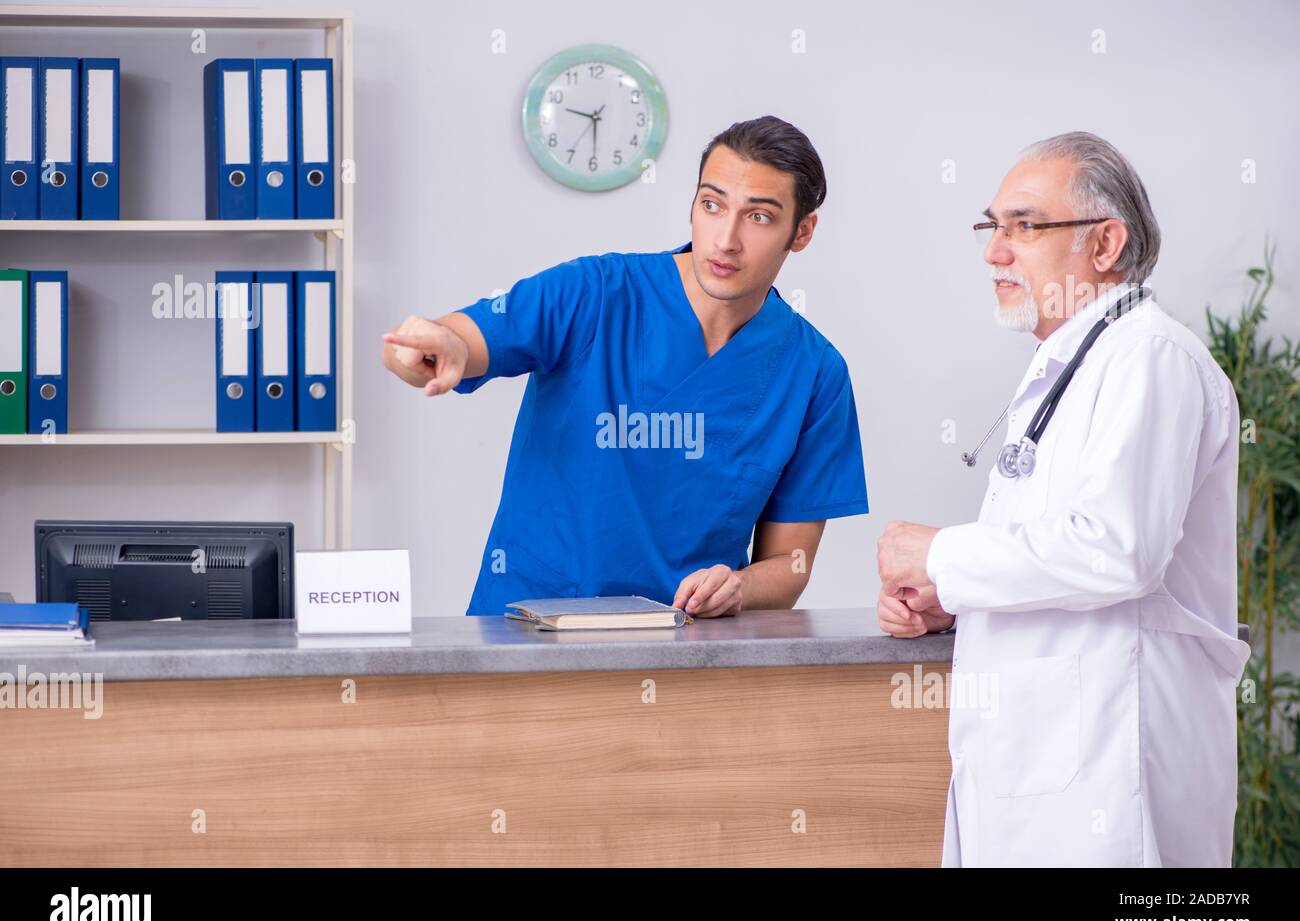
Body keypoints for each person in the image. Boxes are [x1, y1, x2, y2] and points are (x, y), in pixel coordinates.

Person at [876, 131, 1249, 867]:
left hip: (1113, 773)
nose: (994, 252)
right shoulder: (1071, 366)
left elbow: (1117, 550)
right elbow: (1059, 553)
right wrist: (956, 594)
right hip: (1041, 765)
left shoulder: (1151, 357)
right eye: (992, 226)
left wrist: (940, 552)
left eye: (1024, 226)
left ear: (1105, 243)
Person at [383, 116, 868, 617]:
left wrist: (739, 588)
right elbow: (451, 341)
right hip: (528, 634)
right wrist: (437, 345)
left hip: (685, 650)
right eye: (712, 204)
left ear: (802, 231)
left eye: (760, 217)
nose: (726, 239)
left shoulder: (814, 373)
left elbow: (790, 566)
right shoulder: (593, 293)